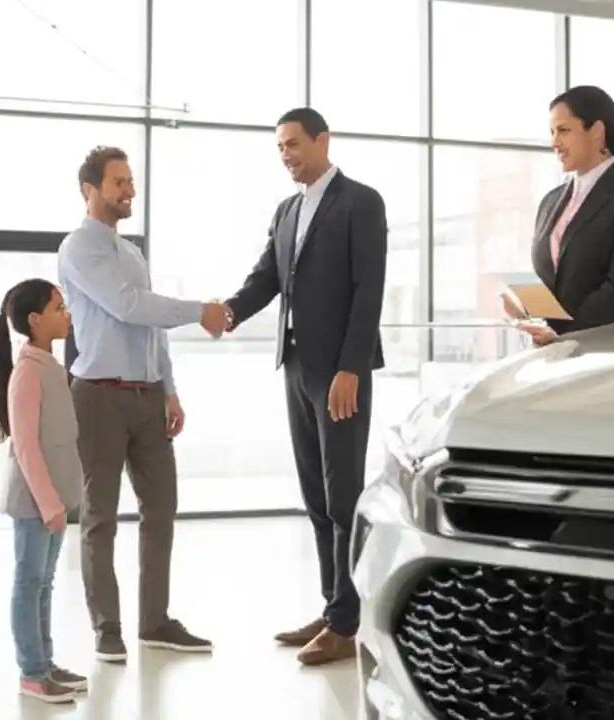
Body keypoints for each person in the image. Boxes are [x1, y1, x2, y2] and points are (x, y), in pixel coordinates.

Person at [221, 107, 387, 666]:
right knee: (316, 496)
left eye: (293, 143)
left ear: (322, 140)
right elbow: (268, 276)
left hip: (340, 371)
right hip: (295, 366)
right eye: (280, 147)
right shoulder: (287, 209)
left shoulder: (361, 202)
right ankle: (333, 606)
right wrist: (230, 312)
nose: (286, 154)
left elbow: (369, 291)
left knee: (343, 497)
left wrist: (351, 368)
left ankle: (346, 624)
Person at [58, 146, 227, 663]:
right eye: (119, 182)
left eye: (131, 181)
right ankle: (108, 628)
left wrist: (169, 386)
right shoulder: (78, 249)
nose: (129, 190)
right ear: (91, 188)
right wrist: (200, 310)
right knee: (100, 517)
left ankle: (155, 621)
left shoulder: (132, 252)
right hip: (98, 397)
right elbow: (129, 307)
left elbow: (151, 326)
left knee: (161, 510)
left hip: (147, 395)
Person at [0, 279, 87, 704]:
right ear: (34, 320)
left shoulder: (48, 363)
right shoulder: (27, 371)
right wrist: (49, 504)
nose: (66, 314)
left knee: (44, 582)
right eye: (58, 307)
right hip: (35, 502)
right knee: (29, 582)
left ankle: (45, 663)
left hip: (55, 499)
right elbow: (26, 445)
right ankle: (32, 671)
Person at [507, 85, 614, 346]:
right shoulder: (550, 201)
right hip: (551, 350)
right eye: (552, 132)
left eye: (564, 130)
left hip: (605, 350)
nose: (554, 142)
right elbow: (552, 281)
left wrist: (566, 335)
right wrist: (529, 312)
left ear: (597, 132)